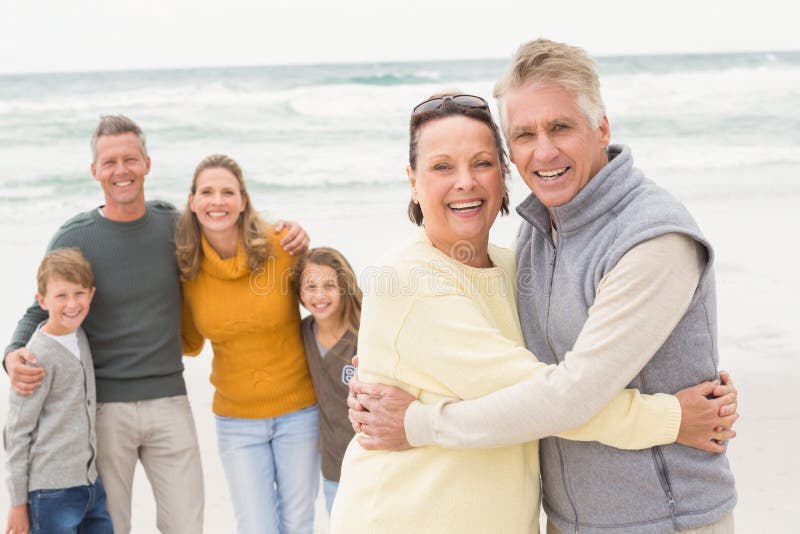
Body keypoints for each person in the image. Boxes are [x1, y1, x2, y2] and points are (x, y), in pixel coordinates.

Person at [349, 40, 738, 534]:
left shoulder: (649, 238)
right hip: (447, 517)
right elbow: (543, 388)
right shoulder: (536, 238)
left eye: (560, 127)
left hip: (662, 518)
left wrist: (416, 421)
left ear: (602, 128)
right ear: (413, 180)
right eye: (524, 134)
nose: (544, 150)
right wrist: (373, 370)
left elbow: (564, 395)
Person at [3, 115, 309, 534]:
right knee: (113, 526)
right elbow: (39, 308)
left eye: (131, 159)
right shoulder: (75, 238)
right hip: (104, 410)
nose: (121, 170)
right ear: (94, 171)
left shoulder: (175, 226)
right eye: (110, 162)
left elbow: (226, 227)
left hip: (170, 401)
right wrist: (11, 354)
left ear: (147, 163)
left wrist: (287, 231)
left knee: (186, 525)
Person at [177, 154, 318, 534]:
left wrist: (307, 246)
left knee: (298, 523)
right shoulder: (187, 268)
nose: (217, 201)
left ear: (243, 200)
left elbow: (323, 301)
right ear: (192, 201)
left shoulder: (282, 246)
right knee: (255, 526)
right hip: (236, 420)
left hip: (299, 411)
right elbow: (189, 342)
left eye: (228, 192)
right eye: (207, 192)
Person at [4, 248, 112, 534]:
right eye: (61, 295)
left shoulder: (80, 336)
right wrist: (17, 503)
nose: (72, 304)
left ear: (91, 295)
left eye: (79, 294)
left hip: (90, 486)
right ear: (42, 300)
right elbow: (16, 432)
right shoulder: (35, 357)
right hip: (51, 494)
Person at [295, 247, 362, 515]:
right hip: (334, 470)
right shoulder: (303, 333)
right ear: (299, 292)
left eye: (329, 286)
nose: (319, 295)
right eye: (310, 286)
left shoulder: (364, 334)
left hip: (372, 465)